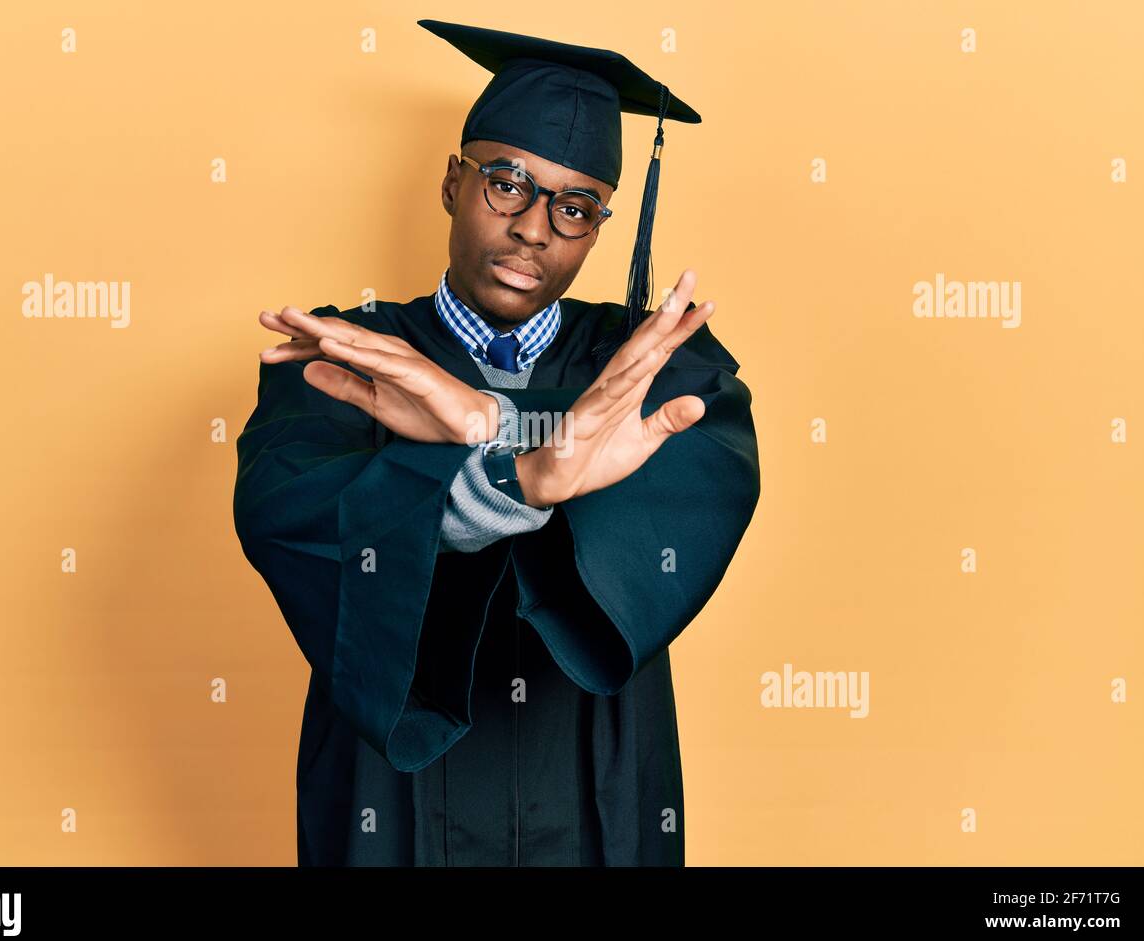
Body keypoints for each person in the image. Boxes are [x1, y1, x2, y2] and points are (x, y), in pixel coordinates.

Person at [232, 19, 761, 866]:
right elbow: (282, 510)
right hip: (390, 785)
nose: (534, 229)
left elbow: (701, 485)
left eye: (575, 208)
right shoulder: (347, 353)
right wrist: (523, 469)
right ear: (452, 183)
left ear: (596, 228)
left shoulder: (650, 360)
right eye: (508, 184)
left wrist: (488, 423)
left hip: (589, 777)